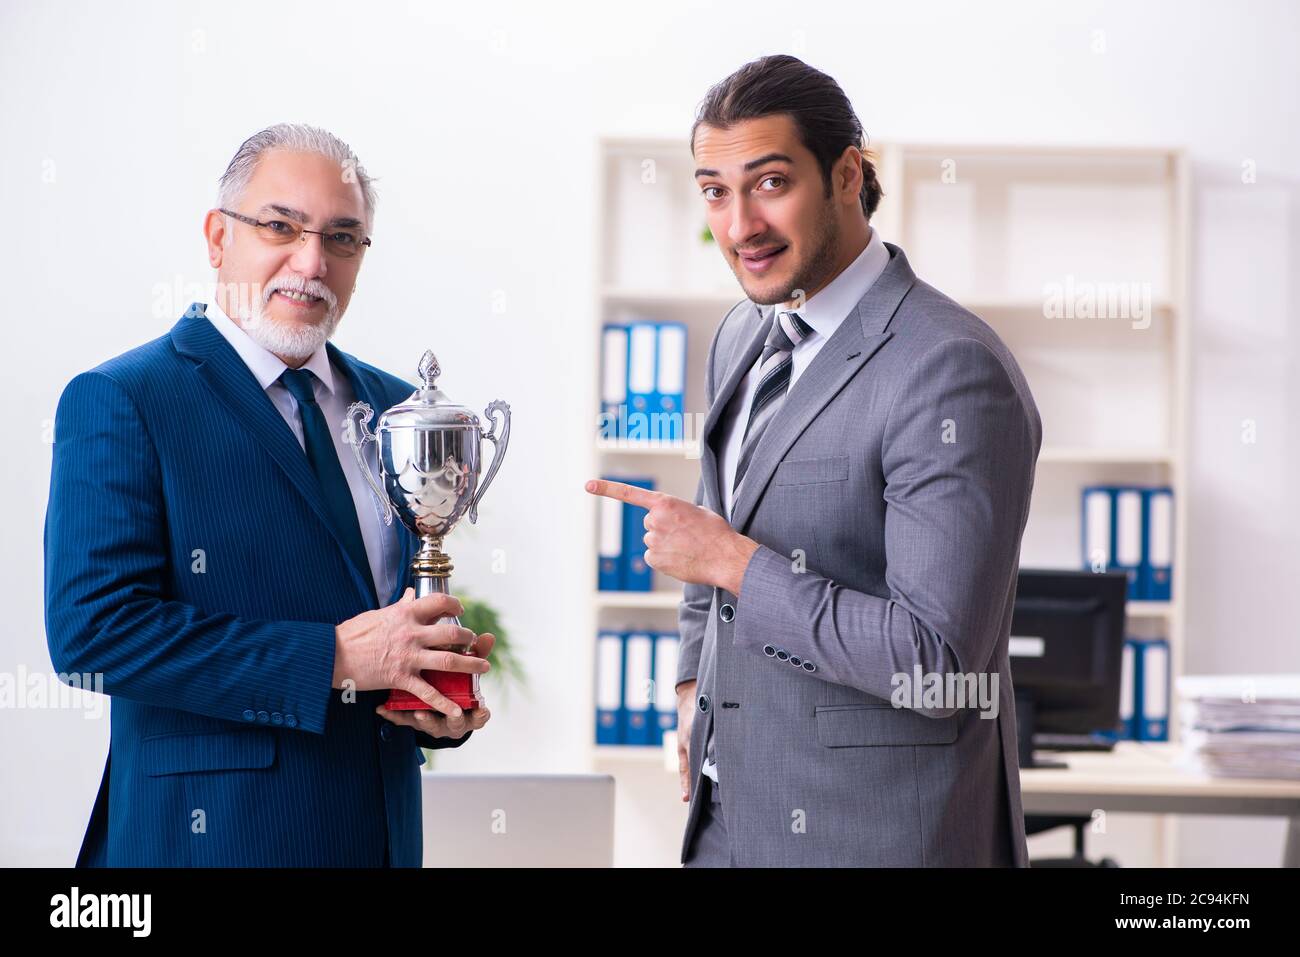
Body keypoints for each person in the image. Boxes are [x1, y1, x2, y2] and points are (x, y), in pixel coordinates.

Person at [587, 55, 1040, 866]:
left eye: (770, 183)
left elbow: (936, 664)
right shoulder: (742, 335)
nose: (739, 226)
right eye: (715, 191)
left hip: (875, 835)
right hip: (727, 820)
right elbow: (711, 529)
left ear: (847, 175)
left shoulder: (948, 367)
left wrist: (735, 564)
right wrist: (691, 684)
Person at [45, 123, 491, 867]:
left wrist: (431, 701)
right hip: (213, 842)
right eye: (281, 226)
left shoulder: (395, 409)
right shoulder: (125, 398)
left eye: (341, 238)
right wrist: (332, 659)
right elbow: (94, 634)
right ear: (218, 237)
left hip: (379, 838)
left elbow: (387, 628)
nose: (312, 262)